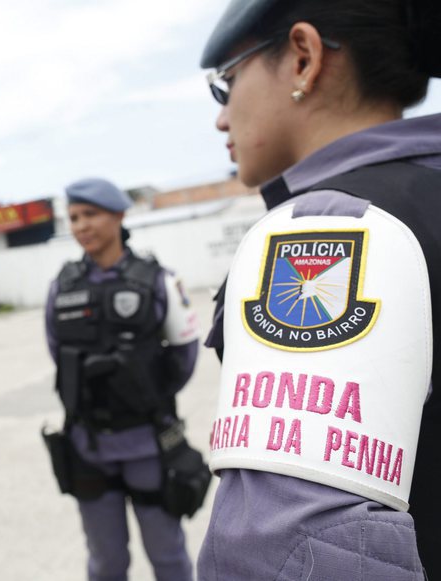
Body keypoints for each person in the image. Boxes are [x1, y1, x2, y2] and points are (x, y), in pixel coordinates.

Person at [198, 0, 441, 578]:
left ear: (303, 57)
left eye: (226, 84)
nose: (221, 119)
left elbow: (292, 551)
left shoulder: (329, 228)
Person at [43, 177, 202, 581]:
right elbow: (58, 354)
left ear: (118, 215)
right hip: (88, 445)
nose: (81, 225)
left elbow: (184, 356)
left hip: (147, 441)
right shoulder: (61, 286)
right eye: (74, 217)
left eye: (90, 214)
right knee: (105, 561)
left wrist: (142, 395)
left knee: (167, 555)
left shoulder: (160, 279)